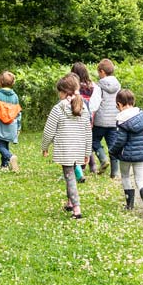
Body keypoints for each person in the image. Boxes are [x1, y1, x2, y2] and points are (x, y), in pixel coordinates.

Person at [42, 73, 93, 219]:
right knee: (69, 175)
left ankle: (77, 209)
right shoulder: (83, 107)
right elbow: (88, 132)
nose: (59, 94)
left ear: (64, 92)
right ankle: (70, 202)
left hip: (65, 150)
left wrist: (45, 147)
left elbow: (49, 131)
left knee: (69, 177)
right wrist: (87, 152)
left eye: (59, 91)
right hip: (79, 148)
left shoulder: (58, 108)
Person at [108, 88, 143, 214]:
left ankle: (129, 204)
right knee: (140, 179)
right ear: (133, 102)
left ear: (119, 104)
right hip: (141, 155)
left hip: (126, 155)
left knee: (125, 176)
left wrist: (112, 151)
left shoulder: (122, 120)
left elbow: (120, 141)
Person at [69, 62, 103, 179]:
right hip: (88, 118)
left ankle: (81, 167)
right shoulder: (93, 86)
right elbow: (95, 105)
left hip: (73, 117)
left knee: (76, 142)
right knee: (86, 140)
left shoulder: (72, 87)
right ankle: (92, 165)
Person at [91, 59, 123, 176]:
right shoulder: (118, 85)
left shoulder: (98, 86)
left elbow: (95, 103)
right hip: (114, 120)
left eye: (98, 72)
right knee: (113, 145)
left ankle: (103, 158)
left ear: (102, 71)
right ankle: (115, 172)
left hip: (100, 120)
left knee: (93, 140)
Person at [0, 71, 23, 171]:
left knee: (0, 146)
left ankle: (10, 157)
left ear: (0, 82)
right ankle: (4, 165)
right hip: (11, 124)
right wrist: (18, 126)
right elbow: (18, 112)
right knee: (5, 144)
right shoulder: (15, 96)